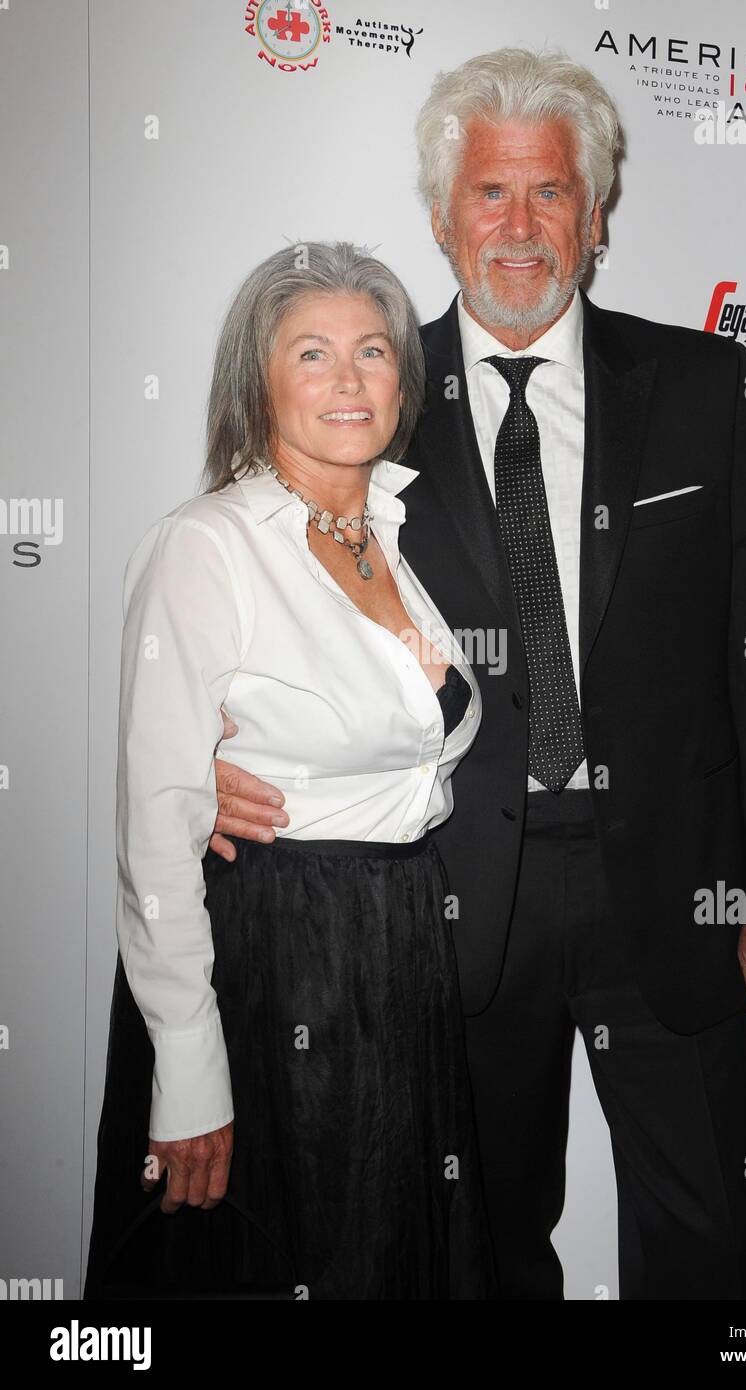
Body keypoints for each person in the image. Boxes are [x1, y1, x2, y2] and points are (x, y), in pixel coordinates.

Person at [212, 48, 746, 1301]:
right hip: (450, 904)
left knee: (707, 1250)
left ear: (594, 215)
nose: (516, 224)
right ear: (441, 218)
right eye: (488, 194)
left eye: (547, 193)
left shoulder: (704, 385)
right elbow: (241, 588)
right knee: (479, 1260)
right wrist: (207, 760)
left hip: (677, 891)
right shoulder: (368, 403)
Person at [84, 242, 496, 1300]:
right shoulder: (205, 545)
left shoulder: (397, 535)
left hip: (398, 948)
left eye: (372, 350)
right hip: (272, 955)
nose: (349, 378)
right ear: (255, 381)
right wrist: (186, 1061)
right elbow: (157, 832)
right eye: (311, 353)